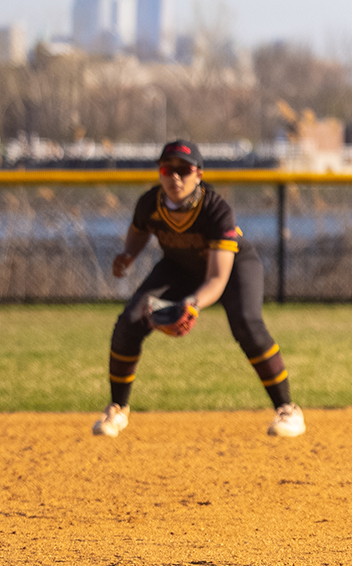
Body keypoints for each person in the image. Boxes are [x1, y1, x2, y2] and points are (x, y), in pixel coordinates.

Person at [94, 139, 304, 438]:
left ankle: (288, 409)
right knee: (129, 321)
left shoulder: (215, 210)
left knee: (247, 323)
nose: (175, 176)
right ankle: (117, 409)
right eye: (168, 168)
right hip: (179, 266)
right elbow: (140, 229)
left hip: (233, 268)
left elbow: (217, 278)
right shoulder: (150, 203)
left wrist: (193, 303)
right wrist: (128, 255)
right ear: (159, 172)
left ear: (199, 174)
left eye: (185, 169)